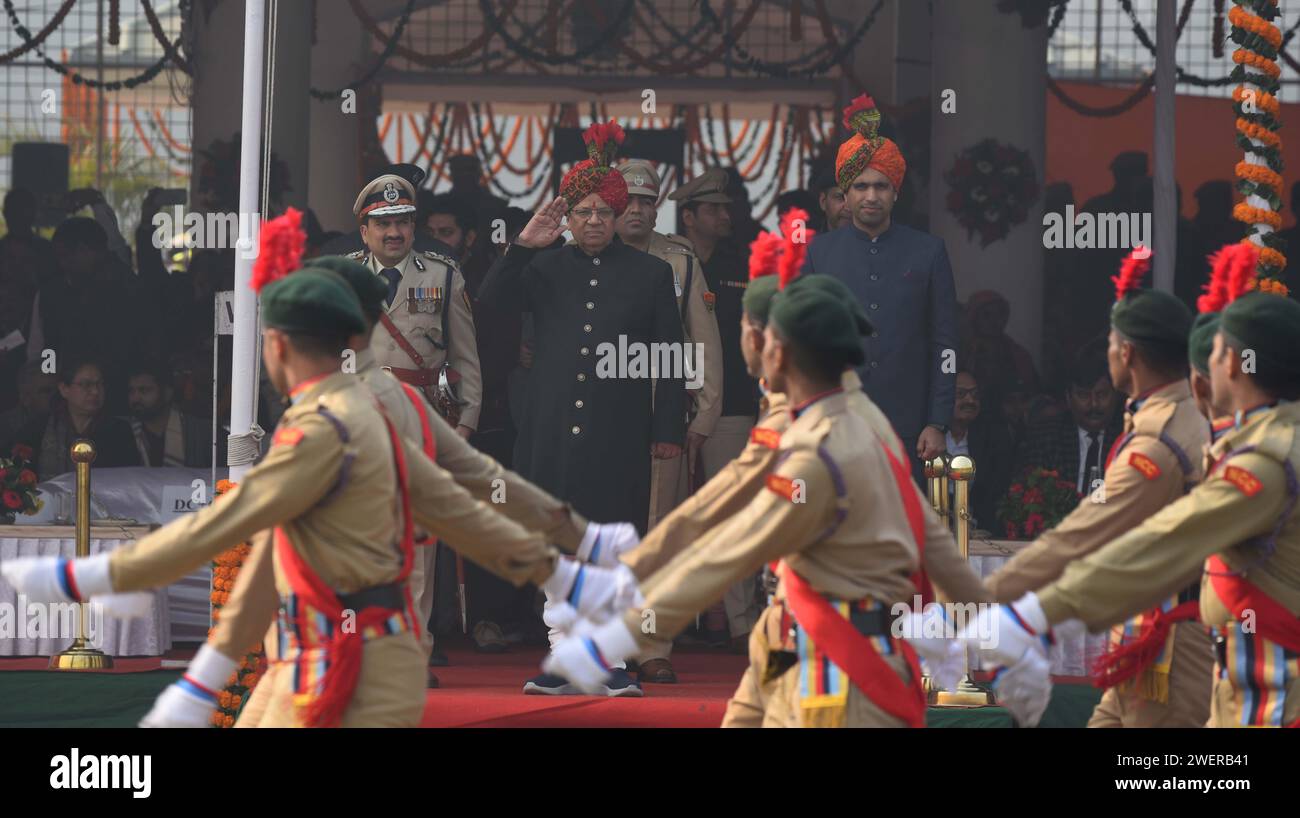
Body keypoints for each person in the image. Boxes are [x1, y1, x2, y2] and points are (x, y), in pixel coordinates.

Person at [0, 252, 640, 727]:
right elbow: (483, 487)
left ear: (277, 348)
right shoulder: (402, 402)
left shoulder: (322, 427)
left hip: (329, 655)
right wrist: (580, 545)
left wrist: (79, 581)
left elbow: (219, 531)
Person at [544, 271, 1004, 727]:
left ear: (775, 346)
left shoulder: (818, 448)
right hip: (794, 637)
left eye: (748, 326)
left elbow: (732, 550)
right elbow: (930, 538)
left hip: (835, 666)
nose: (742, 335)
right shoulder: (835, 416)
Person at [965, 278, 1300, 728]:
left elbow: (1162, 541)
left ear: (1237, 365)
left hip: (1255, 681)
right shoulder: (1254, 441)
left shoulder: (1263, 461)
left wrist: (1031, 614)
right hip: (1232, 668)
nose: (1200, 368)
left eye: (1215, 352)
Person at [478, 120, 686, 696]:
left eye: (603, 211)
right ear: (566, 218)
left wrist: (667, 428)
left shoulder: (651, 274)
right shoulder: (542, 265)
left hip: (616, 431)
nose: (593, 221)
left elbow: (668, 361)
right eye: (582, 212)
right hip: (548, 430)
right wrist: (523, 245)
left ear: (618, 217)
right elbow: (490, 306)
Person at [986, 249, 1214, 727]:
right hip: (1142, 636)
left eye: (1112, 342)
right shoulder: (1176, 419)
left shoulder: (1158, 443)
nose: (1109, 351)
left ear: (1127, 353)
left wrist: (982, 600)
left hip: (1169, 644)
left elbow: (1081, 534)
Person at [801, 92, 959, 485]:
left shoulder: (928, 252)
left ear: (896, 193)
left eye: (881, 186)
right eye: (860, 187)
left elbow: (946, 344)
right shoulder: (820, 252)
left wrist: (937, 421)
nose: (871, 196)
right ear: (846, 195)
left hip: (907, 429)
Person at [672, 167, 764, 648]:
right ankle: (675, 621)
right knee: (672, 515)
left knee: (733, 513)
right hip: (670, 404)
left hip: (732, 403)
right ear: (688, 216)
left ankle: (741, 622)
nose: (725, 215)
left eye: (726, 208)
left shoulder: (744, 262)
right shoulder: (663, 259)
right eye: (713, 209)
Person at [617, 160, 724, 526]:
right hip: (605, 409)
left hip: (660, 409)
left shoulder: (681, 261)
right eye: (627, 200)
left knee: (659, 521)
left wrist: (704, 417)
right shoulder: (588, 256)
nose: (636, 209)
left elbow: (703, 341)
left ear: (656, 208)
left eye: (645, 202)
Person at [347, 168, 483, 437]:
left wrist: (465, 425)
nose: (394, 232)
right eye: (383, 224)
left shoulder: (443, 275)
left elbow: (464, 357)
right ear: (364, 232)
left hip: (424, 420)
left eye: (402, 222)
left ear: (413, 227)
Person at [1011, 338, 1123, 498]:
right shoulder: (1046, 436)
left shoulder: (1129, 438)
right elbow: (1024, 496)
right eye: (1084, 395)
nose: (1094, 404)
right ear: (1068, 398)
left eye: (1102, 394)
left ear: (1116, 395)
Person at [14, 359, 140, 479]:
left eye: (100, 384)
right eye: (86, 384)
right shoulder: (38, 429)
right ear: (64, 389)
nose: (95, 391)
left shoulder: (119, 430)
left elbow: (127, 481)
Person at [946, 370, 1014, 533]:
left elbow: (997, 495)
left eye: (975, 395)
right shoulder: (928, 436)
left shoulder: (994, 438)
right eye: (960, 394)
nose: (970, 400)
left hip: (980, 533)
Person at [125, 362, 217, 468]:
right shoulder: (124, 430)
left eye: (144, 390)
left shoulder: (199, 432)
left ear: (167, 393)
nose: (135, 398)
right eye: (131, 391)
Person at [0, 360, 58, 451]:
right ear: (26, 398)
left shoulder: (64, 422)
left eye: (56, 390)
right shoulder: (4, 428)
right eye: (46, 391)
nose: (55, 396)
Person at [812, 167, 849, 232]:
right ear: (823, 201)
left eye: (853, 199)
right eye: (840, 197)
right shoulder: (810, 241)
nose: (848, 207)